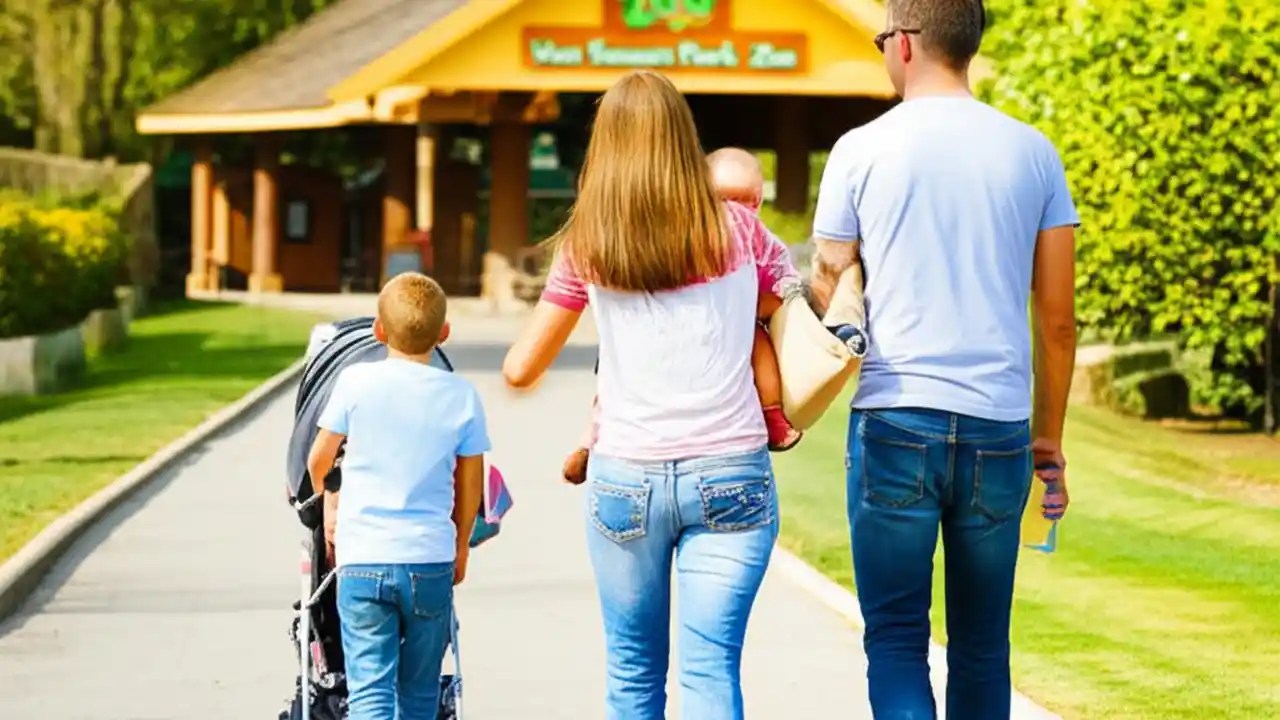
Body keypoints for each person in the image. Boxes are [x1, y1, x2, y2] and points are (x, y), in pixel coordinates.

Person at [807, 0, 1078, 717]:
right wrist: (1048, 435)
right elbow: (1057, 322)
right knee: (983, 644)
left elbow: (829, 280)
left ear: (904, 43)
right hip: (998, 424)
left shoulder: (859, 149)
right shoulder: (1033, 152)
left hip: (896, 416)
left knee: (896, 636)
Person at [503, 71, 792, 720]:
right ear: (682, 142)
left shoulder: (589, 241)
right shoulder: (739, 229)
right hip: (731, 474)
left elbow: (522, 368)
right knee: (711, 672)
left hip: (625, 476)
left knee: (633, 678)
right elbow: (783, 300)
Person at [560, 147, 803, 485]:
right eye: (721, 199)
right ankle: (590, 441)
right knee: (618, 373)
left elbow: (785, 285)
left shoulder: (755, 237)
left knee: (756, 343)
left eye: (743, 201)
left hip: (736, 338)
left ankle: (772, 413)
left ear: (758, 202)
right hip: (669, 348)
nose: (733, 211)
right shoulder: (686, 236)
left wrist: (749, 308)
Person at [307, 272, 489, 720]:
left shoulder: (354, 383)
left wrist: (331, 501)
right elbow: (470, 484)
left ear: (377, 330)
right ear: (444, 334)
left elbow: (318, 460)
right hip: (428, 560)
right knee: (421, 692)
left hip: (363, 558)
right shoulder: (462, 395)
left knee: (370, 692)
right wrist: (461, 545)